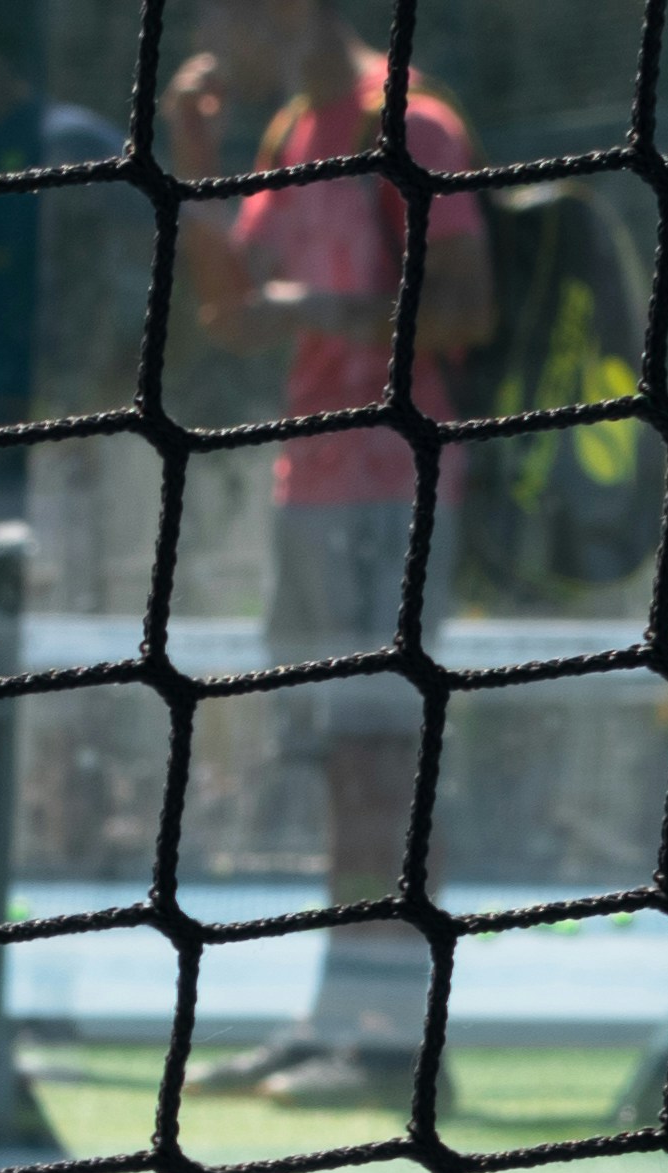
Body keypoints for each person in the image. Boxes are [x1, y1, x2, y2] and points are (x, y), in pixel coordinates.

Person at [164, 0, 490, 1111]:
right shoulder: (289, 135)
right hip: (311, 489)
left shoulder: (416, 128)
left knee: (385, 768)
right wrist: (195, 164)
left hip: (394, 486)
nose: (215, 29)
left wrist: (320, 307)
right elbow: (226, 312)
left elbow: (464, 311)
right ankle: (342, 1015)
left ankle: (398, 1039)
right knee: (342, 772)